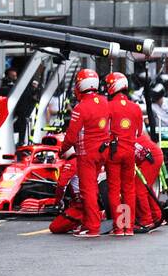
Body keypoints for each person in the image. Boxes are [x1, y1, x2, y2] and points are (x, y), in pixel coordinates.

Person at [60, 68, 112, 237]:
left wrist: (62, 150)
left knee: (87, 190)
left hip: (87, 153)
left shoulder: (81, 107)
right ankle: (92, 221)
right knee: (95, 188)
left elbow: (71, 134)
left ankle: (92, 226)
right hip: (104, 151)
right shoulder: (105, 101)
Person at [103, 72, 143, 237]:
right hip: (130, 150)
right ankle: (129, 227)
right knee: (129, 188)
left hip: (114, 150)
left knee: (114, 189)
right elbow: (139, 132)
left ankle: (119, 227)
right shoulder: (135, 107)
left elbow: (104, 129)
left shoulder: (107, 106)